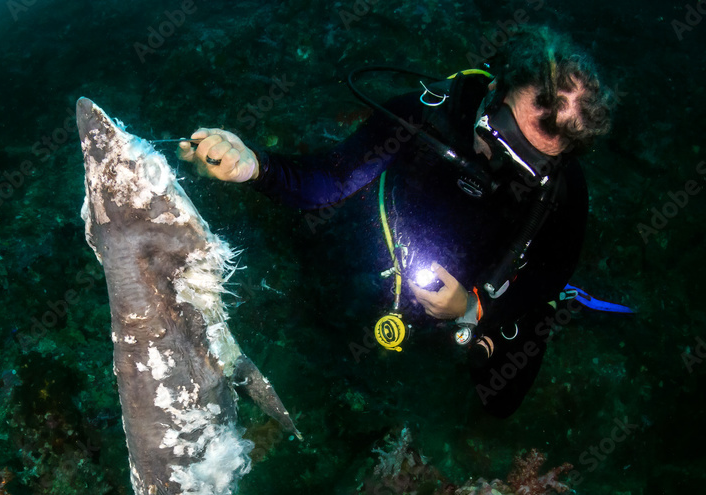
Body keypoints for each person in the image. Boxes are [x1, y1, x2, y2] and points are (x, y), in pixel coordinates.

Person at [179, 25, 614, 417]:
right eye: (500, 131)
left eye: (526, 159)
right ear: (496, 88)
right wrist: (255, 166)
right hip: (400, 251)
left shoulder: (562, 189)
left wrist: (473, 307)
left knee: (501, 400)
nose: (495, 158)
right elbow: (331, 179)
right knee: (324, 286)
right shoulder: (426, 115)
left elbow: (550, 274)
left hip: (485, 281)